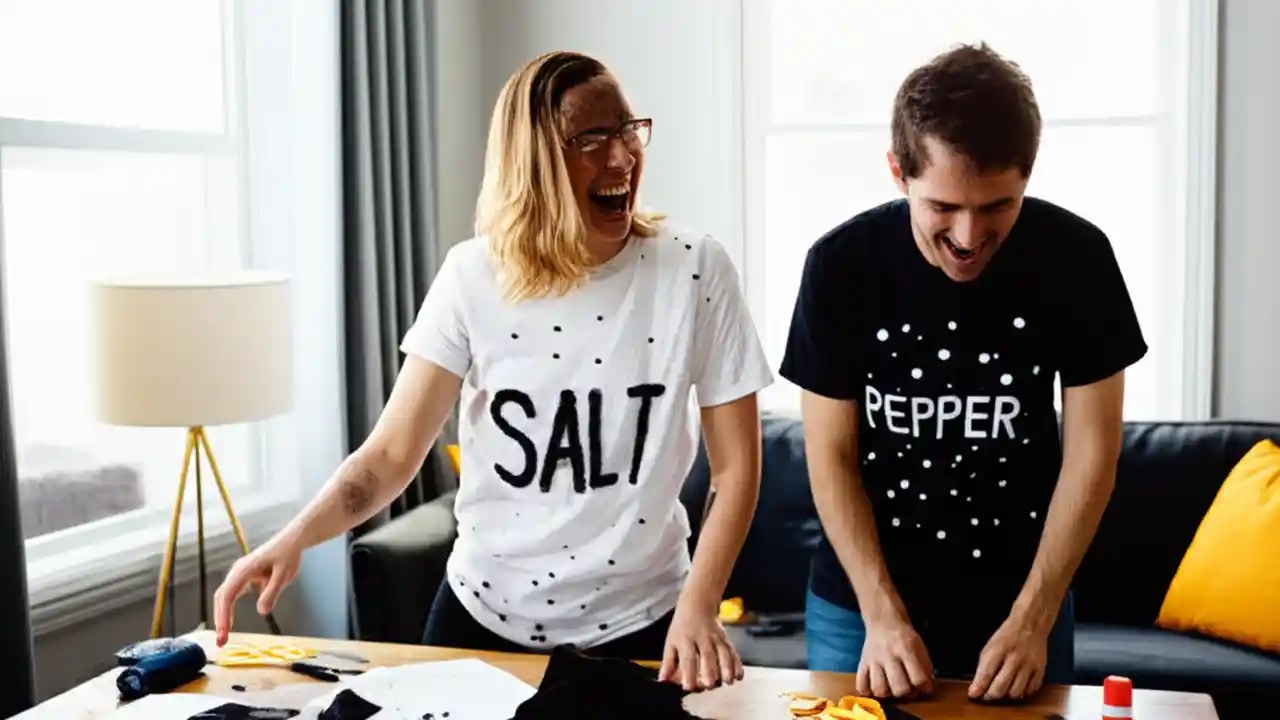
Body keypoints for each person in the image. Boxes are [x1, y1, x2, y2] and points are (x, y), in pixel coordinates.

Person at [212, 50, 773, 693]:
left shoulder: (696, 269)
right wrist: (292, 539)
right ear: (532, 161)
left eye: (627, 131)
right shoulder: (470, 277)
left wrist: (699, 606)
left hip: (647, 623)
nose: (621, 159)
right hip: (480, 620)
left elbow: (735, 470)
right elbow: (392, 454)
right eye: (592, 139)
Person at [779, 43, 1147, 703]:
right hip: (858, 607)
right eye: (943, 206)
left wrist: (1033, 617)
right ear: (899, 172)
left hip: (1021, 608)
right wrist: (881, 613)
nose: (970, 235)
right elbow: (829, 457)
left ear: (1027, 176)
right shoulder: (839, 266)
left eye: (998, 206)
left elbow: (1093, 455)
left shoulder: (1079, 259)